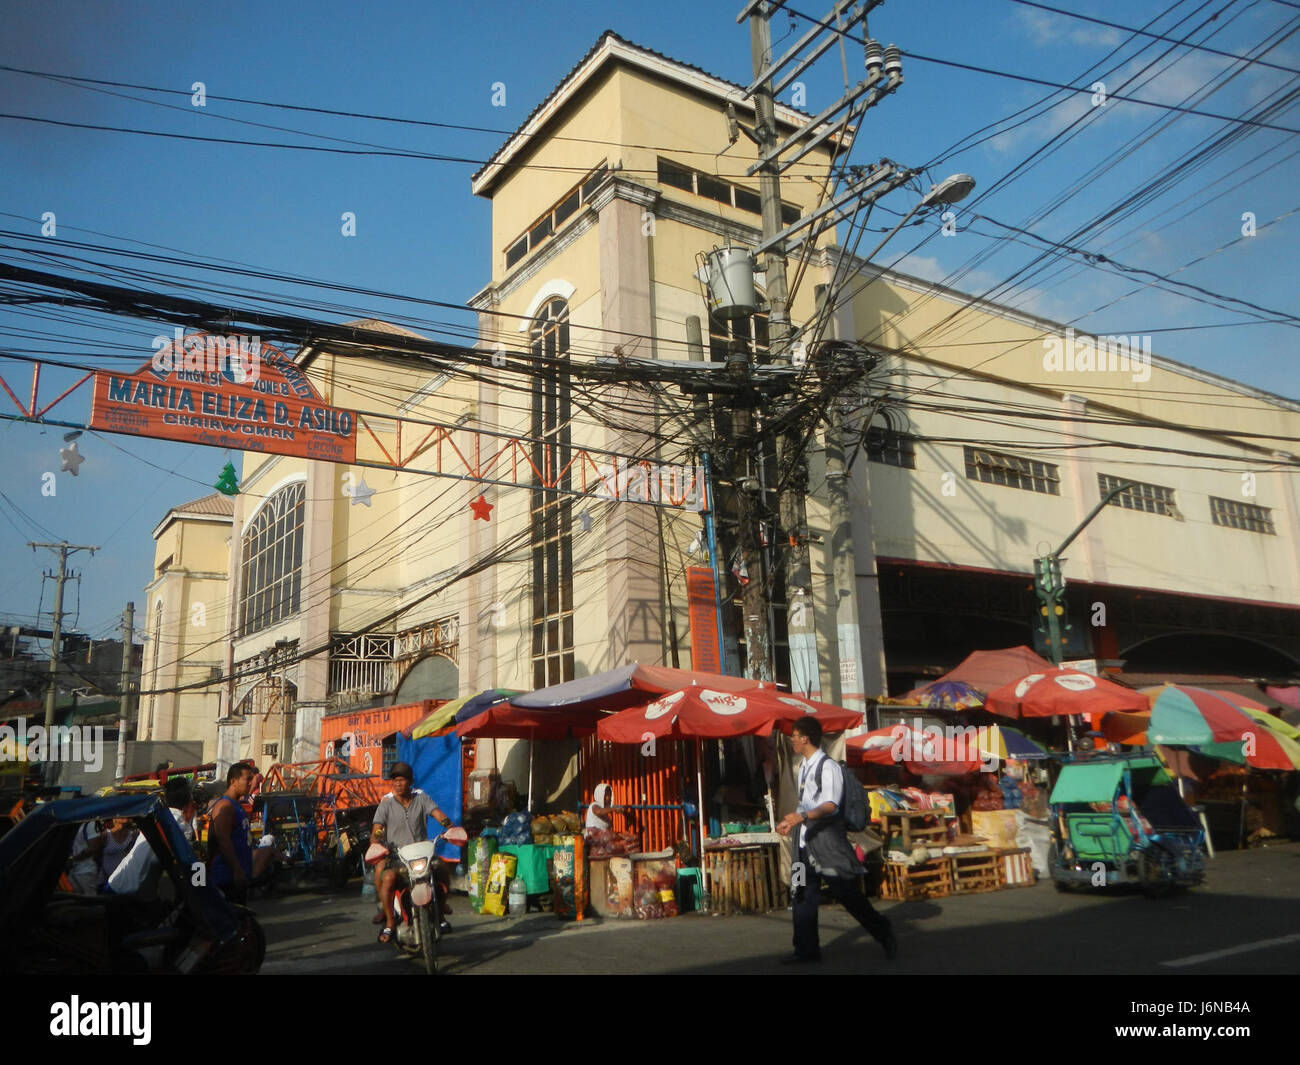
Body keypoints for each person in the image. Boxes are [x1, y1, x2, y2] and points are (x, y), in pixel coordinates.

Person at [777, 716, 896, 964]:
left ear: (804, 739)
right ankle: (805, 950)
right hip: (803, 844)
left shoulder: (828, 768)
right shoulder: (804, 767)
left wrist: (802, 816)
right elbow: (805, 803)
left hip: (826, 843)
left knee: (847, 894)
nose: (792, 740)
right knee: (800, 893)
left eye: (794, 736)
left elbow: (831, 805)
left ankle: (882, 931)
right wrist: (791, 822)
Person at [371, 762, 453, 945]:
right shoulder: (386, 804)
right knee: (389, 878)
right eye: (395, 781)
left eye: (402, 780)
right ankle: (390, 923)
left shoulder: (421, 799)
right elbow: (377, 829)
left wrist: (450, 827)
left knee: (442, 870)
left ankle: (440, 913)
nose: (398, 784)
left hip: (422, 854)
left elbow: (439, 815)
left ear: (411, 782)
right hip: (398, 857)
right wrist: (377, 841)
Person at [107, 776, 196, 896]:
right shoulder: (180, 827)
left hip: (117, 883)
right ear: (189, 803)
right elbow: (189, 865)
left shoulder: (159, 816)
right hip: (130, 894)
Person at [207, 762, 255, 904]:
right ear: (233, 781)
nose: (251, 783)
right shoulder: (225, 806)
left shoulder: (236, 805)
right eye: (248, 779)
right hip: (227, 877)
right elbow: (223, 841)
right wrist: (237, 869)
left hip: (238, 875)